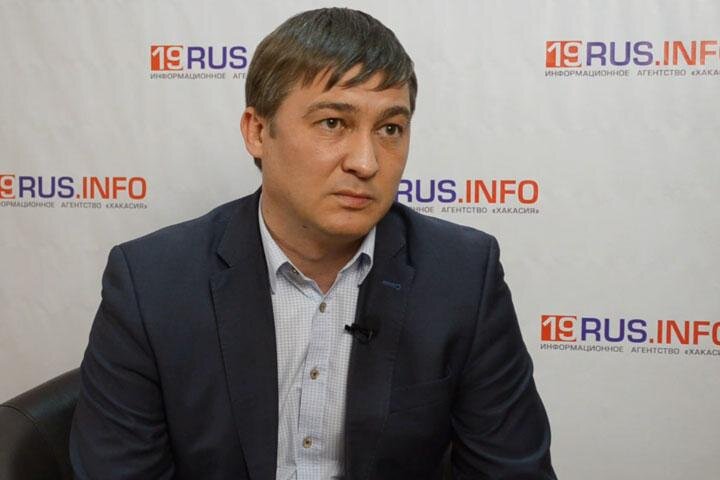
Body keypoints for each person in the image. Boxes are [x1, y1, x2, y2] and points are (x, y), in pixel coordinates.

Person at [69, 7, 556, 480]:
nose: (366, 162)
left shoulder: (463, 275)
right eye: (333, 123)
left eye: (390, 129)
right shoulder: (150, 283)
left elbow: (511, 469)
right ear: (258, 131)